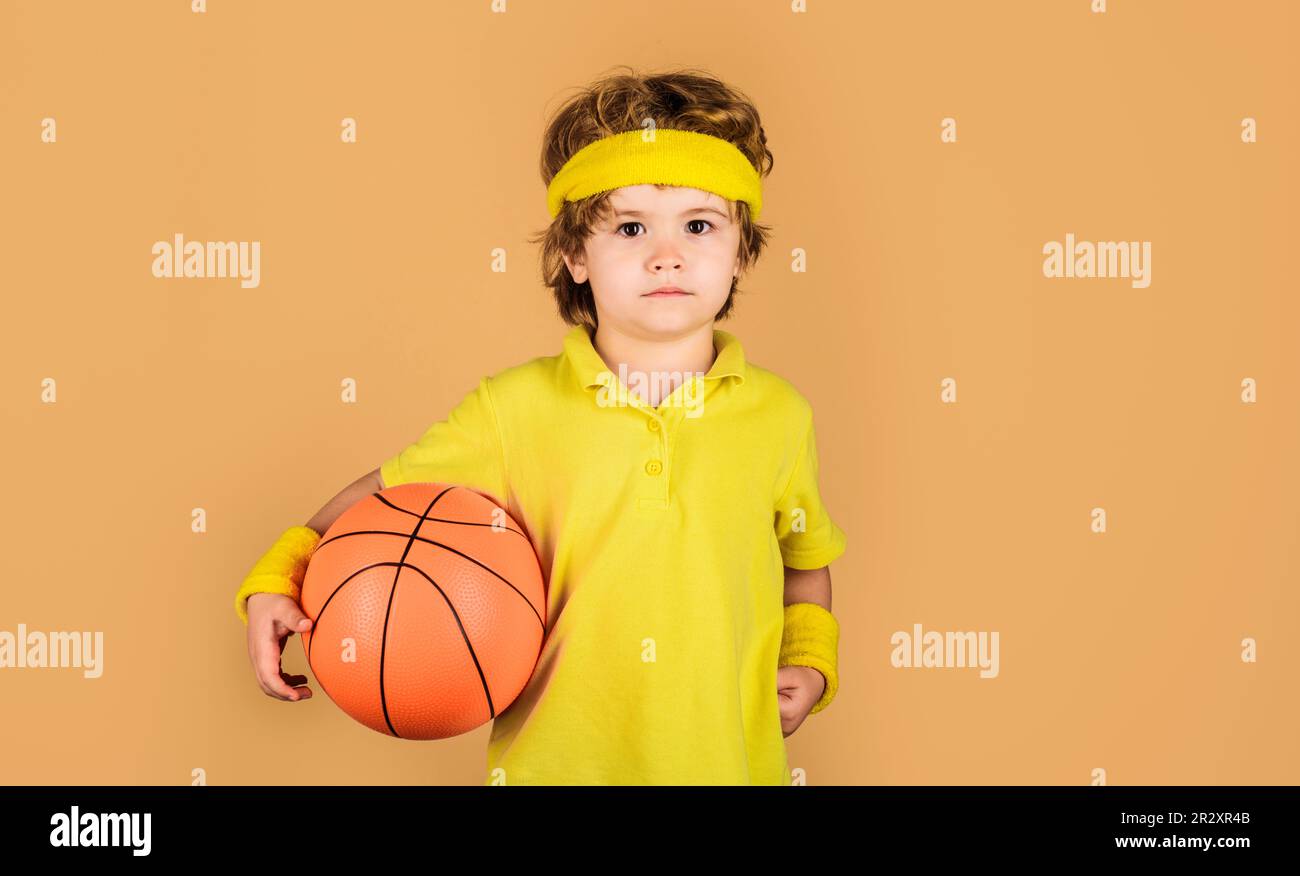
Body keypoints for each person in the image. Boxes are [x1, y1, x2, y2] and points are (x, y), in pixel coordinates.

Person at [235, 67, 847, 785]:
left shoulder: (780, 415)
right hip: (551, 769)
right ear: (574, 256)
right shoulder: (514, 408)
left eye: (700, 225)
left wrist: (808, 662)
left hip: (728, 768)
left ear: (742, 249)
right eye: (629, 227)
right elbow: (381, 493)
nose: (667, 253)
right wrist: (278, 576)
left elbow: (805, 563)